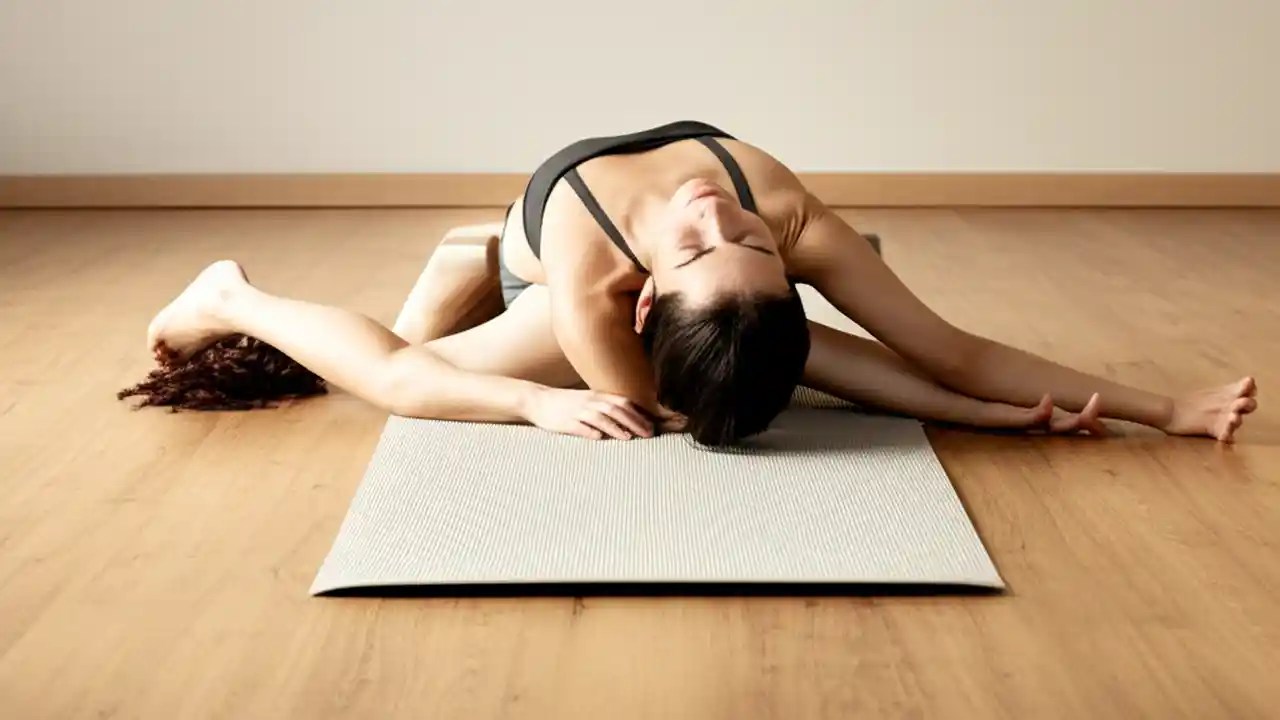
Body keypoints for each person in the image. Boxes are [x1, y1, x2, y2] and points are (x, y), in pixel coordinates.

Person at [134, 120, 1257, 444]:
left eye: (746, 246)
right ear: (639, 299)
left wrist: (1160, 410)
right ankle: (232, 291)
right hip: (549, 269)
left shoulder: (781, 216)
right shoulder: (591, 278)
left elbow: (944, 344)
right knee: (394, 372)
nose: (716, 216)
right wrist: (538, 398)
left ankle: (455, 265)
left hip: (648, 300)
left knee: (749, 353)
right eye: (698, 244)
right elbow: (805, 364)